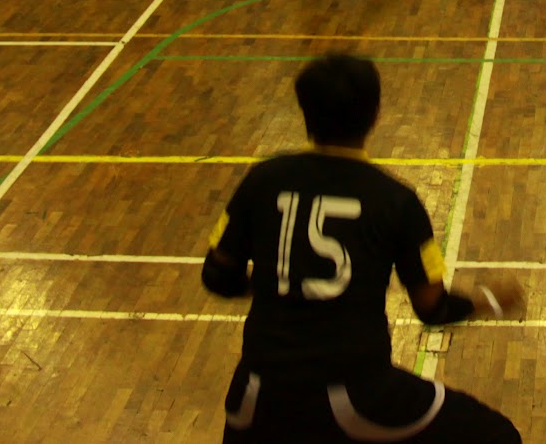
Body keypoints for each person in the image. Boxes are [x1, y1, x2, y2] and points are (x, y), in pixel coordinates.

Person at [203, 53, 524, 443]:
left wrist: (275, 282)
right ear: (374, 114)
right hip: (353, 397)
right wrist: (489, 300)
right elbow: (433, 308)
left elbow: (217, 276)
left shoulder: (262, 180)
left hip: (254, 398)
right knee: (497, 436)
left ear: (304, 111)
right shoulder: (395, 201)